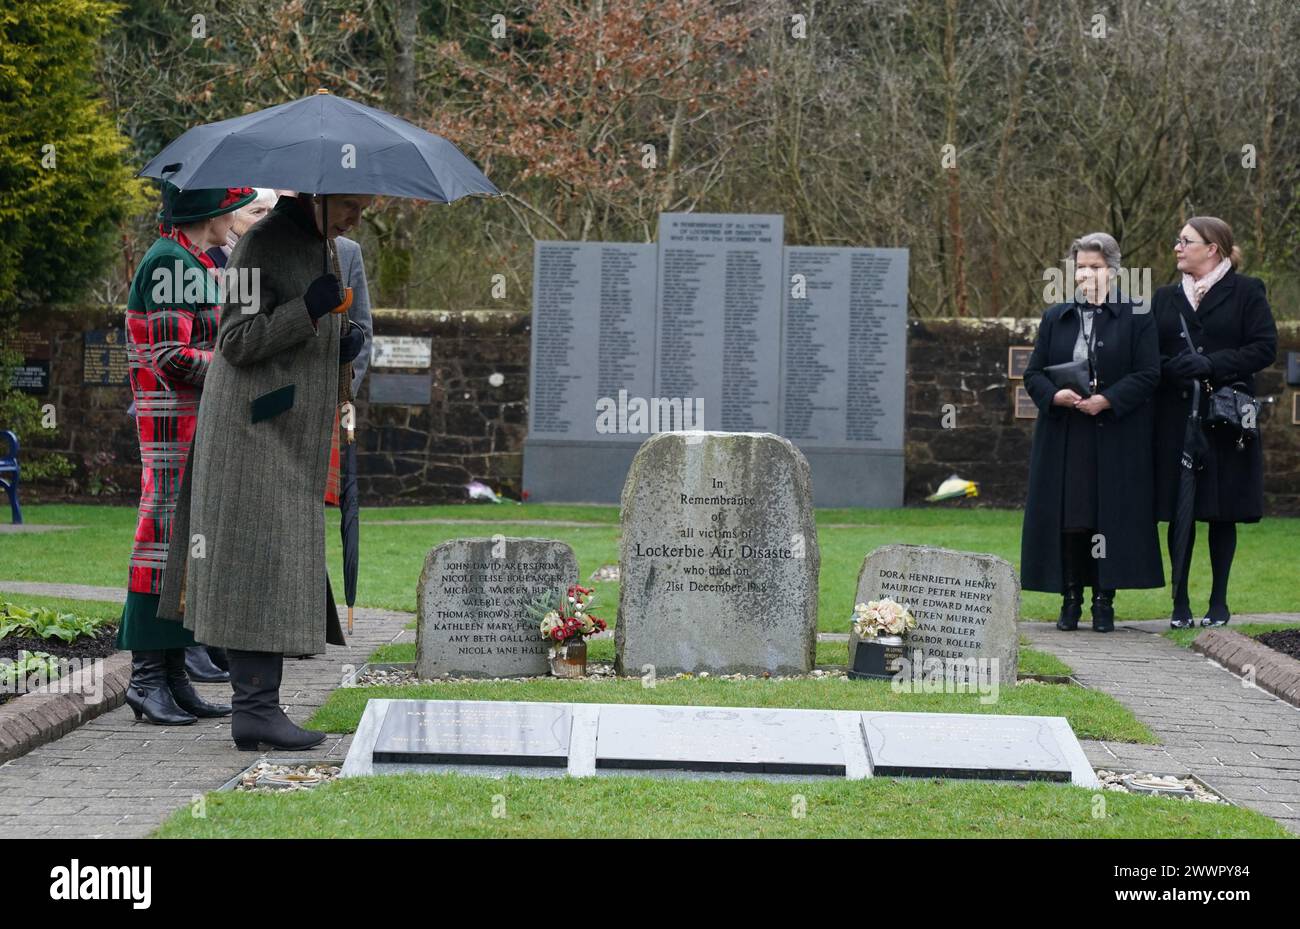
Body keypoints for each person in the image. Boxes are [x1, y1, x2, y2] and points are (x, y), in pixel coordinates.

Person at [157, 192, 371, 751]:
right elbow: (236, 341)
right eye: (351, 206)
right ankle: (254, 712)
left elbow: (299, 342)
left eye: (364, 207)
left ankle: (257, 711)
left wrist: (338, 342)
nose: (357, 219)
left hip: (286, 431)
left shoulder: (319, 244)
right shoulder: (259, 243)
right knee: (256, 563)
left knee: (274, 562)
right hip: (252, 430)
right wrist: (309, 311)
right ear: (320, 198)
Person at [118, 184, 256, 724]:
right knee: (161, 545)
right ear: (209, 213)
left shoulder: (191, 260)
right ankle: (146, 679)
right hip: (173, 422)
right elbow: (171, 354)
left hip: (196, 422)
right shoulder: (166, 263)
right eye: (232, 209)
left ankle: (174, 679)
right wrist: (237, 370)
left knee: (182, 550)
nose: (237, 219)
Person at [1021, 232, 1164, 632]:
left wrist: (1110, 399)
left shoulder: (1137, 314)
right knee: (1072, 518)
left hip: (1115, 434)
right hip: (1067, 435)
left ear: (1113, 271)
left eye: (1095, 267)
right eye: (1080, 267)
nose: (1087, 274)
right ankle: (1070, 599)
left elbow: (1149, 372)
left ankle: (1104, 601)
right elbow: (1033, 374)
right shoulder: (1056, 317)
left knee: (1108, 517)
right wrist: (1056, 396)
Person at [1153, 217, 1278, 628]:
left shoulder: (1247, 292)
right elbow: (1150, 354)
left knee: (1222, 510)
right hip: (1177, 417)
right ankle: (1180, 603)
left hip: (1227, 415)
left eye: (1186, 241)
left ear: (1213, 248)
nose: (1177, 247)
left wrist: (1210, 363)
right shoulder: (1164, 298)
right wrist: (1174, 368)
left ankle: (1219, 603)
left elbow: (1263, 348)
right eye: (1177, 240)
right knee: (1181, 509)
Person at [204, 187, 276, 268]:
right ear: (231, 215)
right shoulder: (207, 258)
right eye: (257, 212)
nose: (268, 219)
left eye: (271, 212)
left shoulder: (278, 251)